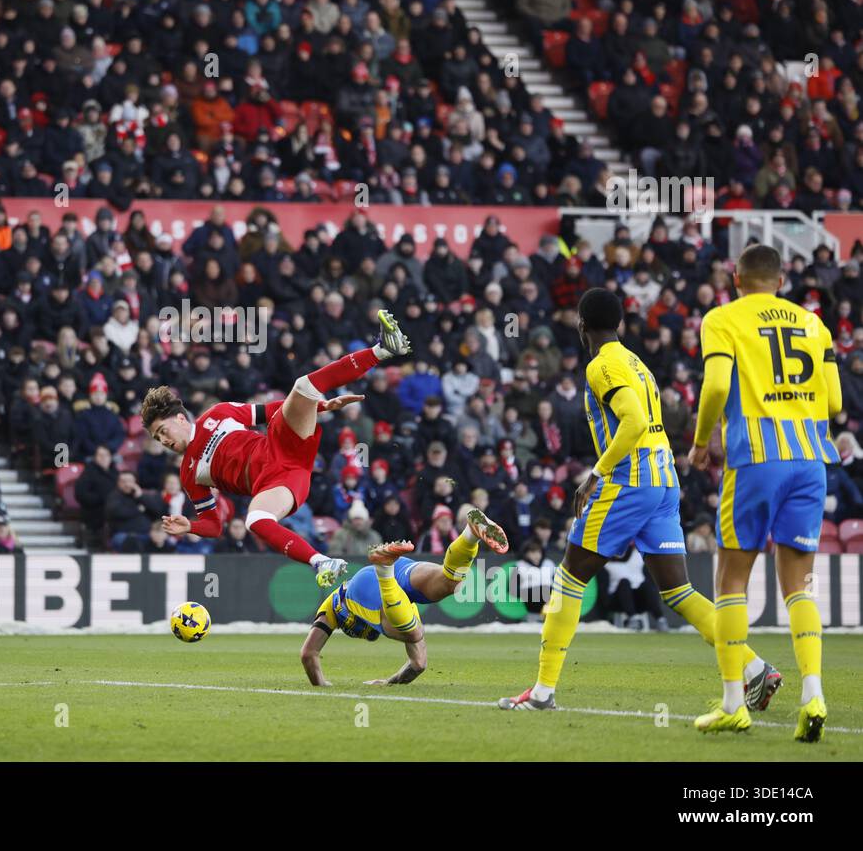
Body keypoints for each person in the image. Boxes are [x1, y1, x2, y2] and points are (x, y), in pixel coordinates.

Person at [499, 289, 780, 712]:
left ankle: (541, 693)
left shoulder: (602, 365)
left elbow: (630, 421)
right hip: (664, 478)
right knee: (679, 591)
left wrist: (594, 474)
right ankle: (754, 667)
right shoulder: (637, 363)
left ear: (580, 325)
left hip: (630, 478)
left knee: (570, 578)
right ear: (621, 325)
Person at [142, 310, 418, 586]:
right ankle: (322, 562)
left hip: (281, 446)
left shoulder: (218, 413)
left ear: (180, 418)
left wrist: (319, 405)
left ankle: (383, 349)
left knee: (304, 386)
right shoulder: (188, 474)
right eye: (157, 439)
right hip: (274, 484)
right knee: (256, 519)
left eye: (163, 431)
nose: (164, 441)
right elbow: (214, 525)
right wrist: (191, 526)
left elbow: (271, 410)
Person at [688, 245, 837, 741]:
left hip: (757, 458)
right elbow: (835, 399)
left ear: (736, 278)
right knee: (801, 584)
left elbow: (713, 388)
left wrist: (700, 442)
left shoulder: (723, 319)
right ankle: (813, 694)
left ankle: (734, 702)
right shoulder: (814, 325)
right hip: (811, 461)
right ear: (780, 279)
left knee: (731, 580)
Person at [300, 509, 508, 686]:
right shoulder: (404, 609)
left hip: (362, 589)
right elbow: (418, 665)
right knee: (450, 582)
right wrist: (389, 683)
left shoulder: (331, 609)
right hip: (399, 568)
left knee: (413, 633)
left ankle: (384, 569)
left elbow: (308, 654)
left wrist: (321, 685)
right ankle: (469, 535)